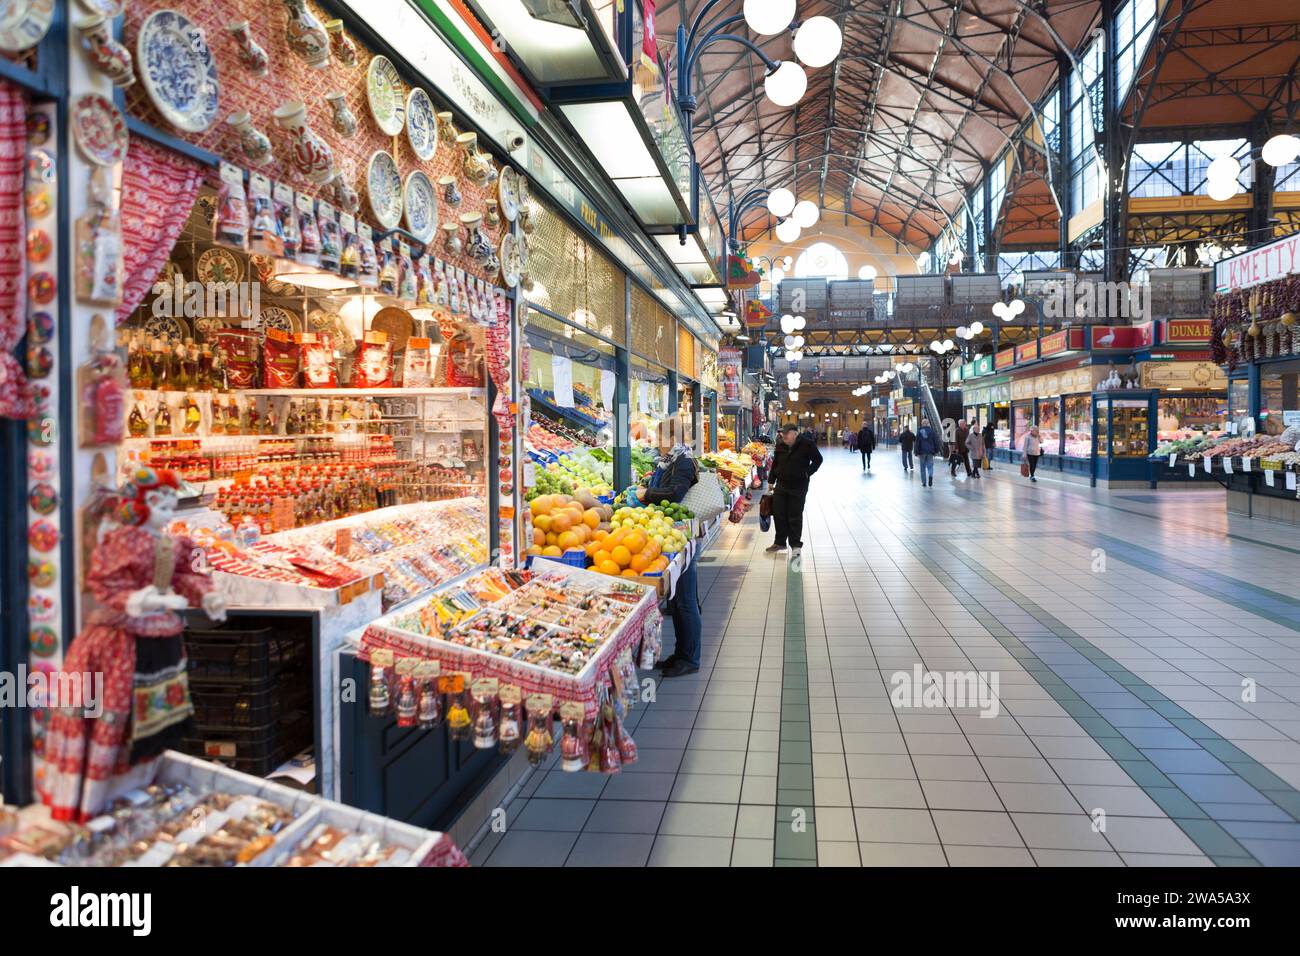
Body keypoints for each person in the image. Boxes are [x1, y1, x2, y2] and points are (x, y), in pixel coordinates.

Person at [638, 415, 703, 678]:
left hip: (682, 537)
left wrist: (648, 494)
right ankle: (680, 654)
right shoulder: (669, 461)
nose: (656, 441)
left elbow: (676, 493)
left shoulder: (684, 462)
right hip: (672, 534)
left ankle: (690, 658)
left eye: (659, 436)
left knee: (686, 602)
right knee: (677, 602)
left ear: (672, 438)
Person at [767, 423, 822, 556]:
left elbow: (818, 460)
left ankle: (795, 544)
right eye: (782, 433)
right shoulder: (780, 444)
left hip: (799, 486)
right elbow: (776, 463)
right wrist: (771, 480)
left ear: (795, 433)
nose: (783, 435)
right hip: (781, 484)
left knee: (794, 515)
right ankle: (780, 542)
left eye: (786, 433)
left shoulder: (807, 444)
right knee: (779, 513)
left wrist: (806, 473)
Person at [915, 418, 940, 487]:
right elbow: (936, 441)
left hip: (922, 452)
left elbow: (917, 443)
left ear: (922, 424)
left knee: (922, 467)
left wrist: (916, 452)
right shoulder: (932, 431)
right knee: (930, 466)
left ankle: (924, 482)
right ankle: (930, 475)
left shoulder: (919, 431)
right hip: (930, 452)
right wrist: (936, 451)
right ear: (928, 423)